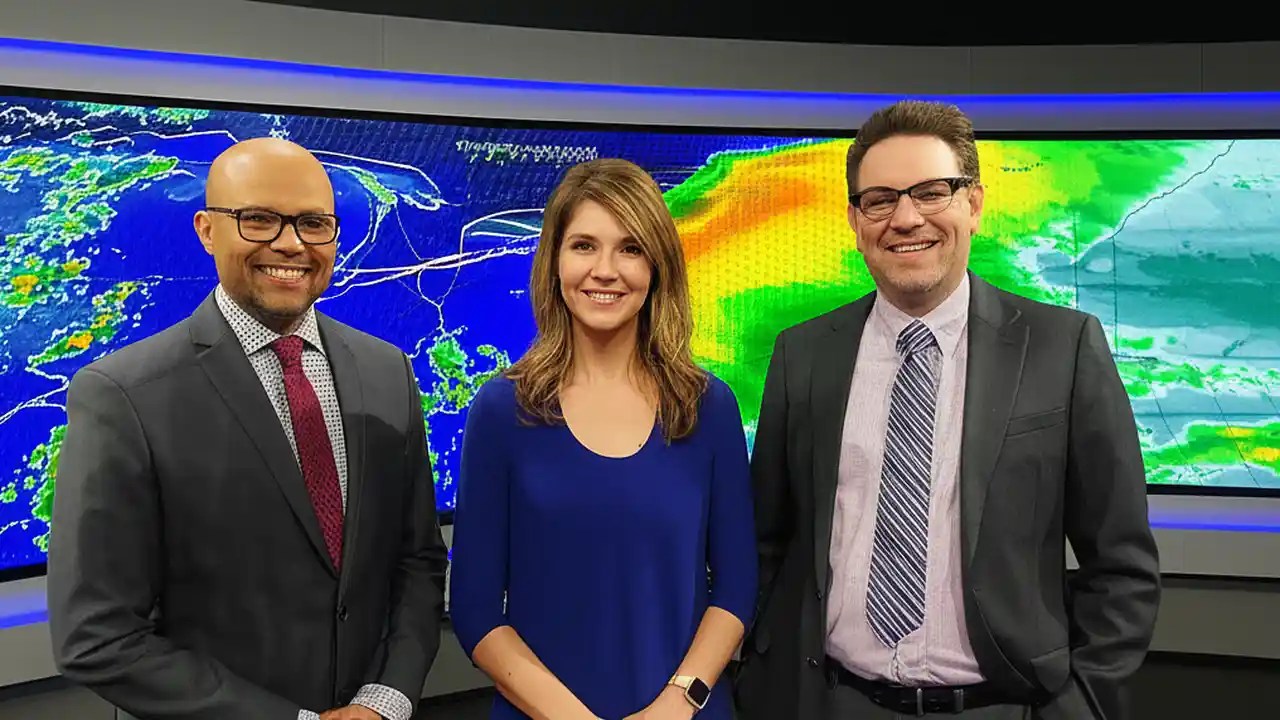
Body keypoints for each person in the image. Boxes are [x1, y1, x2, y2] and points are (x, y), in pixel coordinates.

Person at [734, 100, 1161, 720]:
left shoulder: (1062, 348)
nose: (905, 218)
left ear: (975, 204)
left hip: (1004, 706)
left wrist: (1081, 704)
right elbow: (768, 542)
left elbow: (1120, 564)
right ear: (855, 220)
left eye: (932, 191)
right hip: (832, 701)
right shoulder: (802, 354)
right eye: (880, 199)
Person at [47, 137, 449, 720]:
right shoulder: (123, 396)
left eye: (314, 223)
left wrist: (384, 701)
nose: (291, 243)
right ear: (207, 230)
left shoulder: (386, 371)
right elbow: (97, 636)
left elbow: (417, 561)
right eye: (259, 220)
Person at [448, 158, 758, 720]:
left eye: (631, 248)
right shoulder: (502, 411)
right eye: (584, 245)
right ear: (555, 261)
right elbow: (475, 610)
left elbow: (736, 588)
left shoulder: (707, 409)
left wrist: (676, 703)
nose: (606, 270)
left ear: (657, 266)